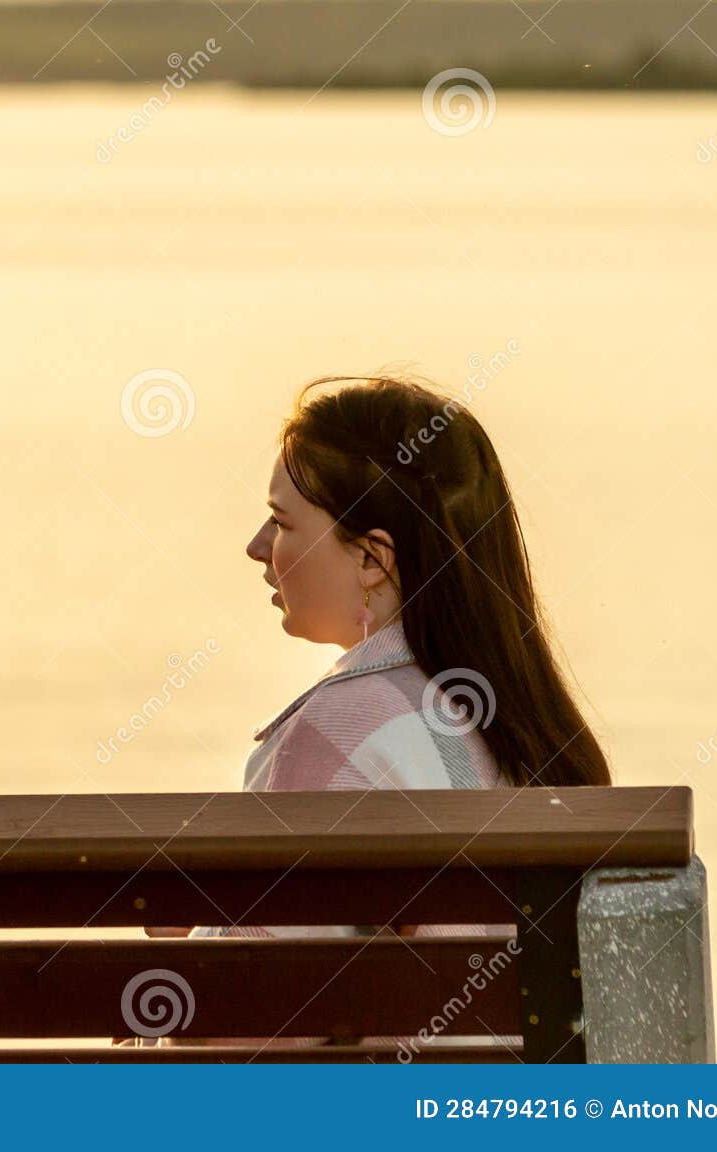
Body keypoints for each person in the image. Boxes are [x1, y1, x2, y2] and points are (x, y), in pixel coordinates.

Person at [139, 373, 611, 1053]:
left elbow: (222, 1032)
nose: (255, 548)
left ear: (371, 558)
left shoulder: (334, 739)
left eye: (280, 523)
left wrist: (193, 936)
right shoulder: (517, 730)